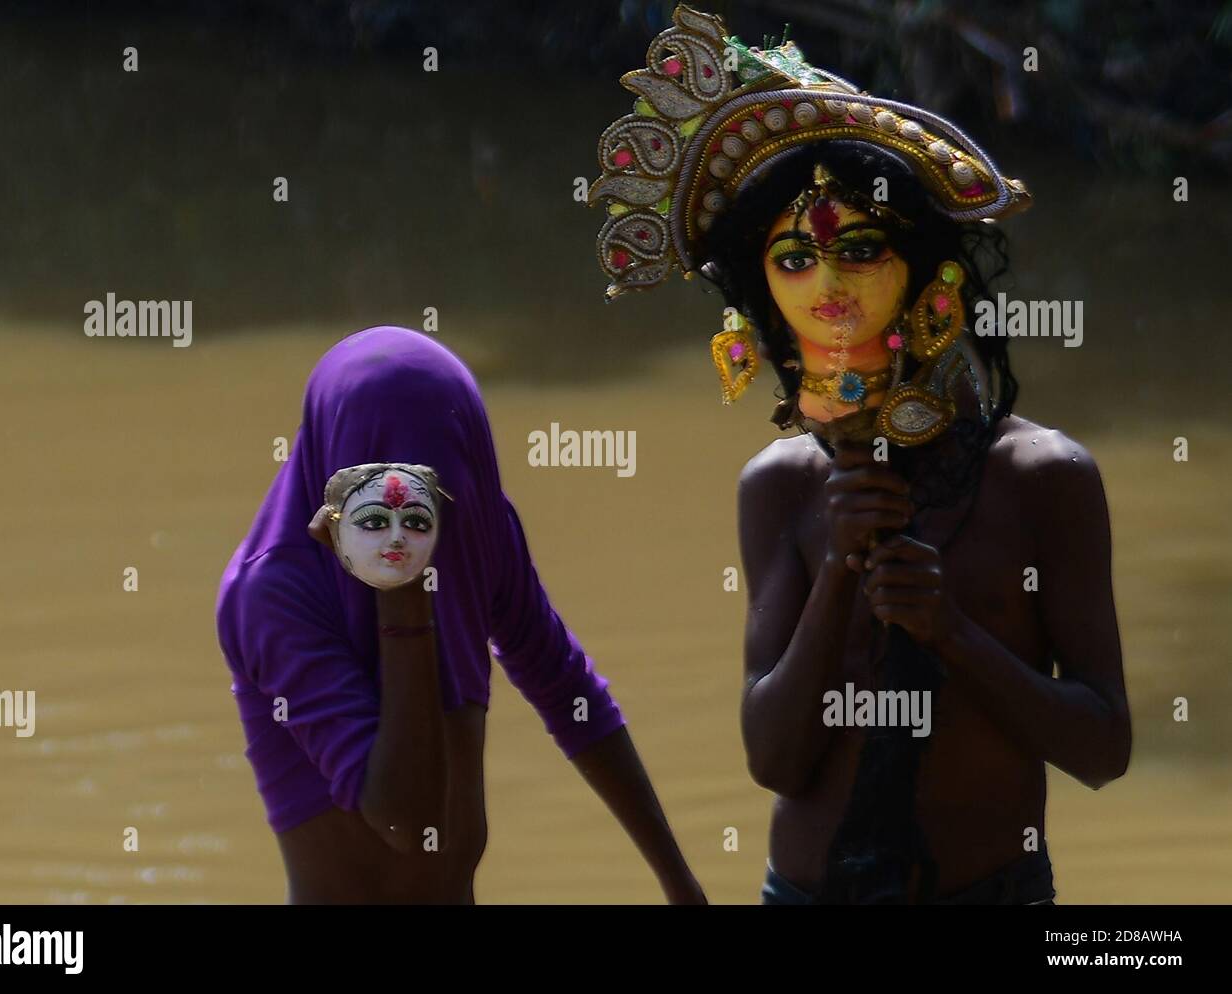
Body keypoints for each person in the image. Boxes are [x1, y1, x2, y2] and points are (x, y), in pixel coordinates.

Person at [588, 5, 1130, 903]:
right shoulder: (781, 489)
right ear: (761, 299)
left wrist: (950, 632)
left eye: (864, 249)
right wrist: (839, 571)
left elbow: (1103, 749)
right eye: (795, 259)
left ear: (932, 274)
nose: (831, 285)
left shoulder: (1043, 480)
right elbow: (773, 760)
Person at [216, 326, 704, 904]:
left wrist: (680, 884)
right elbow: (408, 821)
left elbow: (567, 688)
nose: (406, 518)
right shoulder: (274, 591)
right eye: (379, 493)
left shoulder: (475, 521)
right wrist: (401, 597)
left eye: (435, 480)